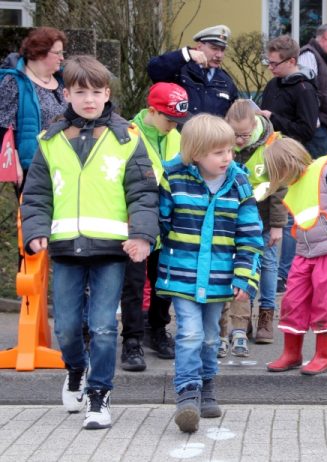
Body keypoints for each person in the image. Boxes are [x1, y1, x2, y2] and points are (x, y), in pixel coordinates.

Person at [20, 55, 159, 429]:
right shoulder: (49, 139)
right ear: (66, 94)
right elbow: (36, 194)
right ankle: (76, 369)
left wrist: (143, 235)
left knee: (102, 325)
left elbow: (144, 193)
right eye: (80, 92)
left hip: (111, 249)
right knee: (66, 327)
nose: (89, 99)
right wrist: (34, 231)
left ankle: (99, 395)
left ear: (107, 93)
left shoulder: (127, 136)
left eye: (96, 92)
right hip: (64, 248)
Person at [155, 113, 263, 433]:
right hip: (181, 273)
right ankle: (187, 395)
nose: (227, 158)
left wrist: (244, 276)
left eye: (229, 150)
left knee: (212, 336)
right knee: (189, 332)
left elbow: (249, 234)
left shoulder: (239, 181)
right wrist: (143, 239)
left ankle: (206, 388)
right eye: (219, 153)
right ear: (196, 153)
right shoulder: (173, 177)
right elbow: (158, 221)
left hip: (219, 277)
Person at [264, 137, 327, 375]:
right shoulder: (293, 184)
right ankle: (292, 353)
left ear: (290, 163)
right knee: (293, 301)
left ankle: (323, 355)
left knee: (325, 301)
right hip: (305, 253)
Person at [119, 82, 189, 372]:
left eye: (178, 121)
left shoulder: (175, 134)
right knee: (134, 284)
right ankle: (132, 341)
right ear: (151, 111)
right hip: (136, 219)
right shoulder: (125, 135)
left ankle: (158, 330)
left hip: (168, 219)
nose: (173, 126)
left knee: (164, 283)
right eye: (169, 119)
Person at [218, 99, 286, 356]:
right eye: (234, 135)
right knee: (237, 270)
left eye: (244, 135)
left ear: (256, 125)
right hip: (232, 221)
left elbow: (279, 187)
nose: (239, 141)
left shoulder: (272, 144)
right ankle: (239, 322)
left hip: (265, 219)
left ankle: (266, 316)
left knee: (267, 266)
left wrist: (278, 226)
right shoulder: (221, 140)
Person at [261, 34, 320, 296]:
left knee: (285, 219)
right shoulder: (273, 85)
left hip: (291, 159)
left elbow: (307, 130)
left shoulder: (304, 89)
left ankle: (284, 273)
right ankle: (272, 268)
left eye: (275, 63)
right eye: (269, 63)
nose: (271, 68)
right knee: (270, 213)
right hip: (270, 157)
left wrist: (274, 118)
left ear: (292, 61)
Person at [0, 26, 68, 187]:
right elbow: (3, 126)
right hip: (32, 166)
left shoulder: (64, 80)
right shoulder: (14, 81)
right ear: (39, 53)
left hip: (65, 161)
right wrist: (13, 163)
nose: (62, 58)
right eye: (57, 53)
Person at [147, 24, 238, 117]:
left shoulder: (226, 81)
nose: (219, 55)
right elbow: (154, 69)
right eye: (214, 48)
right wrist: (185, 54)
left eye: (222, 50)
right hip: (178, 130)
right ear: (199, 47)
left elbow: (233, 116)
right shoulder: (180, 69)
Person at [298, 23, 327, 157]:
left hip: (317, 128)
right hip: (314, 129)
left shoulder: (317, 57)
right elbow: (305, 94)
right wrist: (315, 122)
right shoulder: (308, 55)